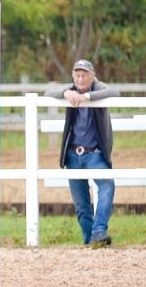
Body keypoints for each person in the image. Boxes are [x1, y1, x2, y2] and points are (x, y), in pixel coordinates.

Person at [46, 60, 118, 247]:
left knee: (107, 186)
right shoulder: (71, 89)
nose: (81, 78)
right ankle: (91, 240)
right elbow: (48, 92)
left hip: (94, 154)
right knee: (81, 204)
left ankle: (99, 230)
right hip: (73, 155)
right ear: (73, 76)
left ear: (93, 75)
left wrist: (87, 97)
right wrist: (65, 93)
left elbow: (114, 92)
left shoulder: (98, 89)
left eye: (84, 74)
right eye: (77, 75)